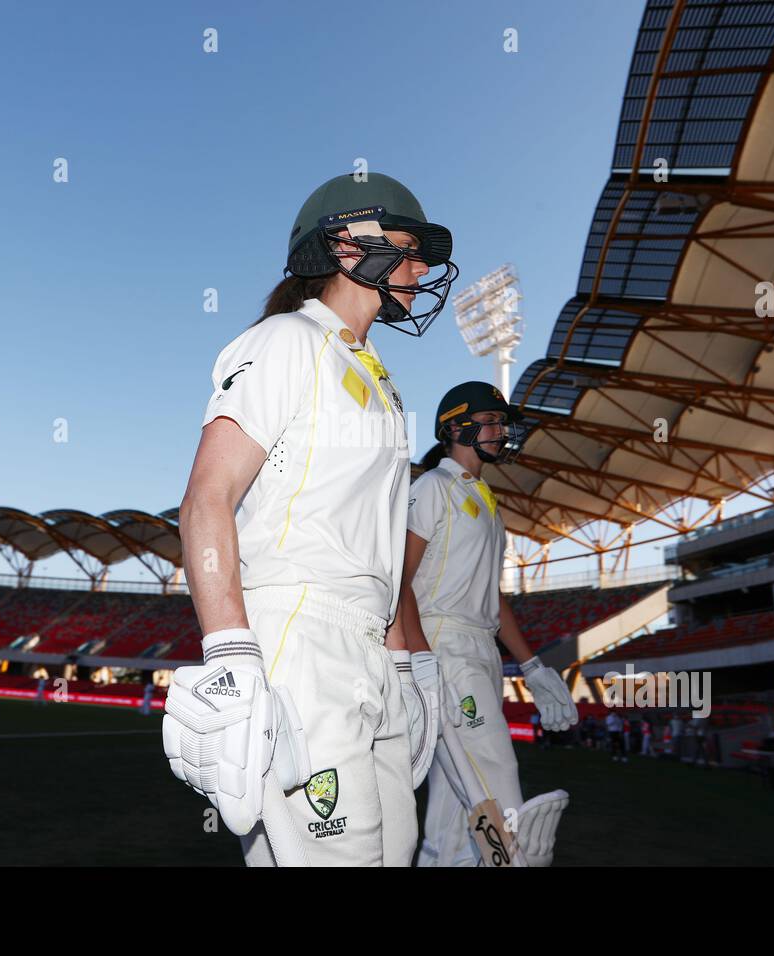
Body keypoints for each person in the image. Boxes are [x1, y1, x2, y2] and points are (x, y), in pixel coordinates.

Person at [163, 173, 458, 867]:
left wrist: (405, 663)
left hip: (366, 644)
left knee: (395, 852)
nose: (422, 269)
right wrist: (230, 653)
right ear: (350, 243)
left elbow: (382, 549)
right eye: (411, 248)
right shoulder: (286, 339)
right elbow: (206, 497)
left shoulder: (380, 379)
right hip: (300, 632)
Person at [394, 382, 577, 867]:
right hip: (444, 645)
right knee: (493, 768)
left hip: (480, 651)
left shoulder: (487, 502)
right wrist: (422, 659)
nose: (500, 431)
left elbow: (492, 598)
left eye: (501, 422)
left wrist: (533, 667)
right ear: (456, 427)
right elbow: (399, 581)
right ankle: (516, 853)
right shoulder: (432, 488)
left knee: (452, 809)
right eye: (491, 421)